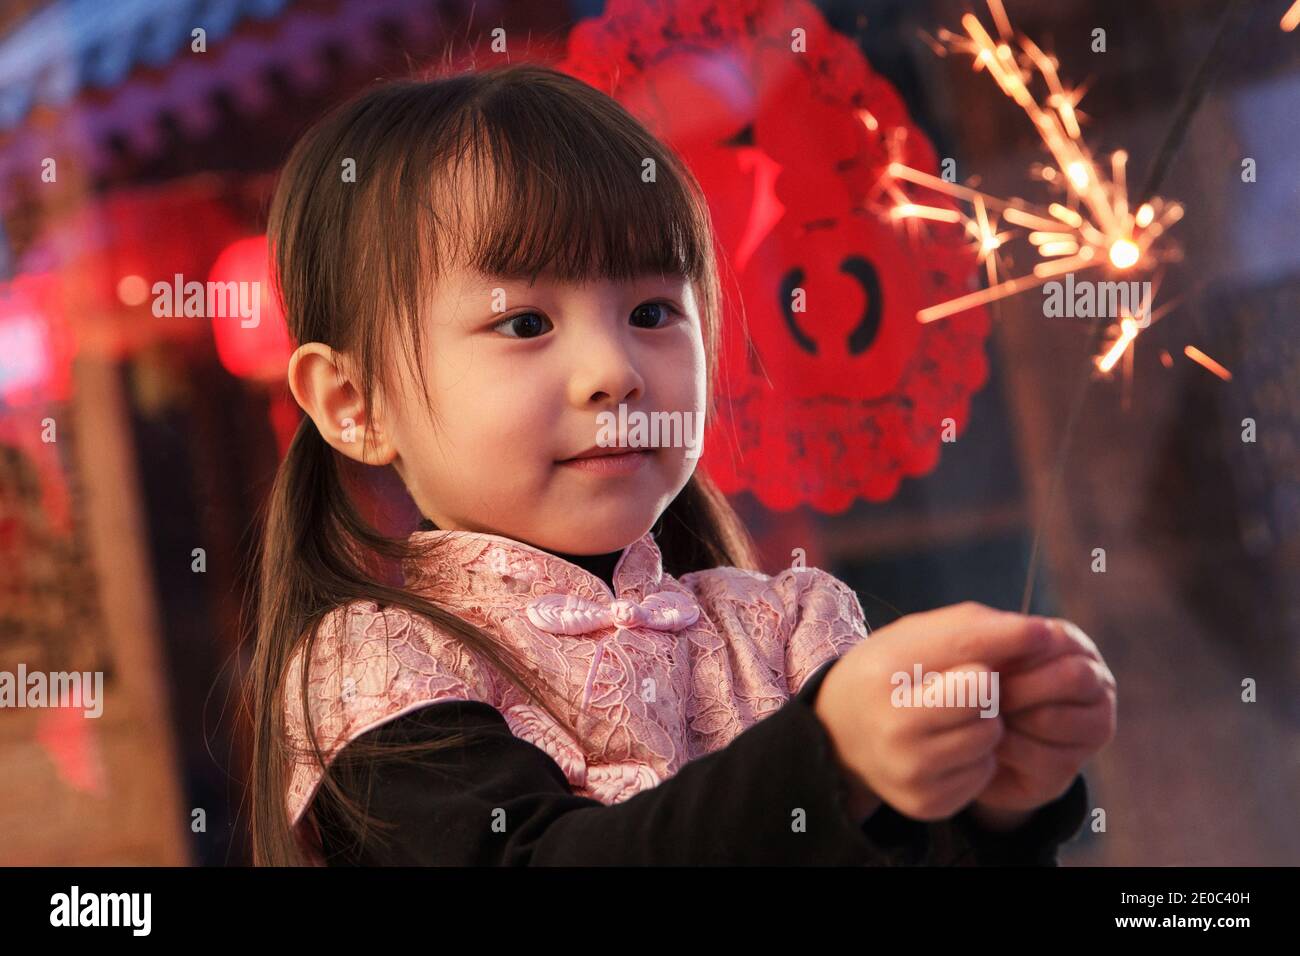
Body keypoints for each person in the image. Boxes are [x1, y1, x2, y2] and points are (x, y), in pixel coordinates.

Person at [248, 63, 1115, 866]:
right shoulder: (378, 664)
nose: (614, 373)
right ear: (352, 404)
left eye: (655, 311)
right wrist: (826, 760)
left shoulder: (788, 628)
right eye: (524, 324)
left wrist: (1000, 801)